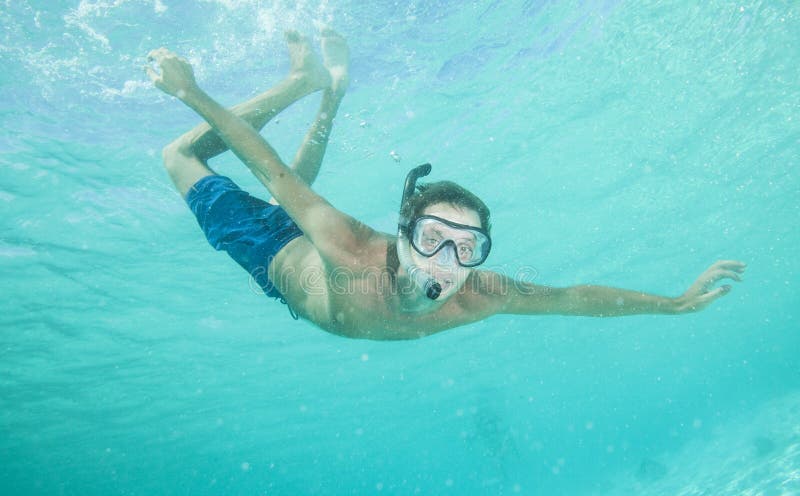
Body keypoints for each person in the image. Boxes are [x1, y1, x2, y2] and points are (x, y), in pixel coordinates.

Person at [146, 30, 746, 341]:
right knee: (183, 156)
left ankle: (330, 88)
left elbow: (572, 298)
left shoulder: (481, 295)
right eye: (434, 238)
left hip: (302, 250)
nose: (447, 262)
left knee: (296, 196)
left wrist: (672, 303)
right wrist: (190, 92)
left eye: (467, 247)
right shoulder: (348, 251)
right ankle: (304, 82)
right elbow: (268, 167)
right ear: (404, 236)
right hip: (269, 251)